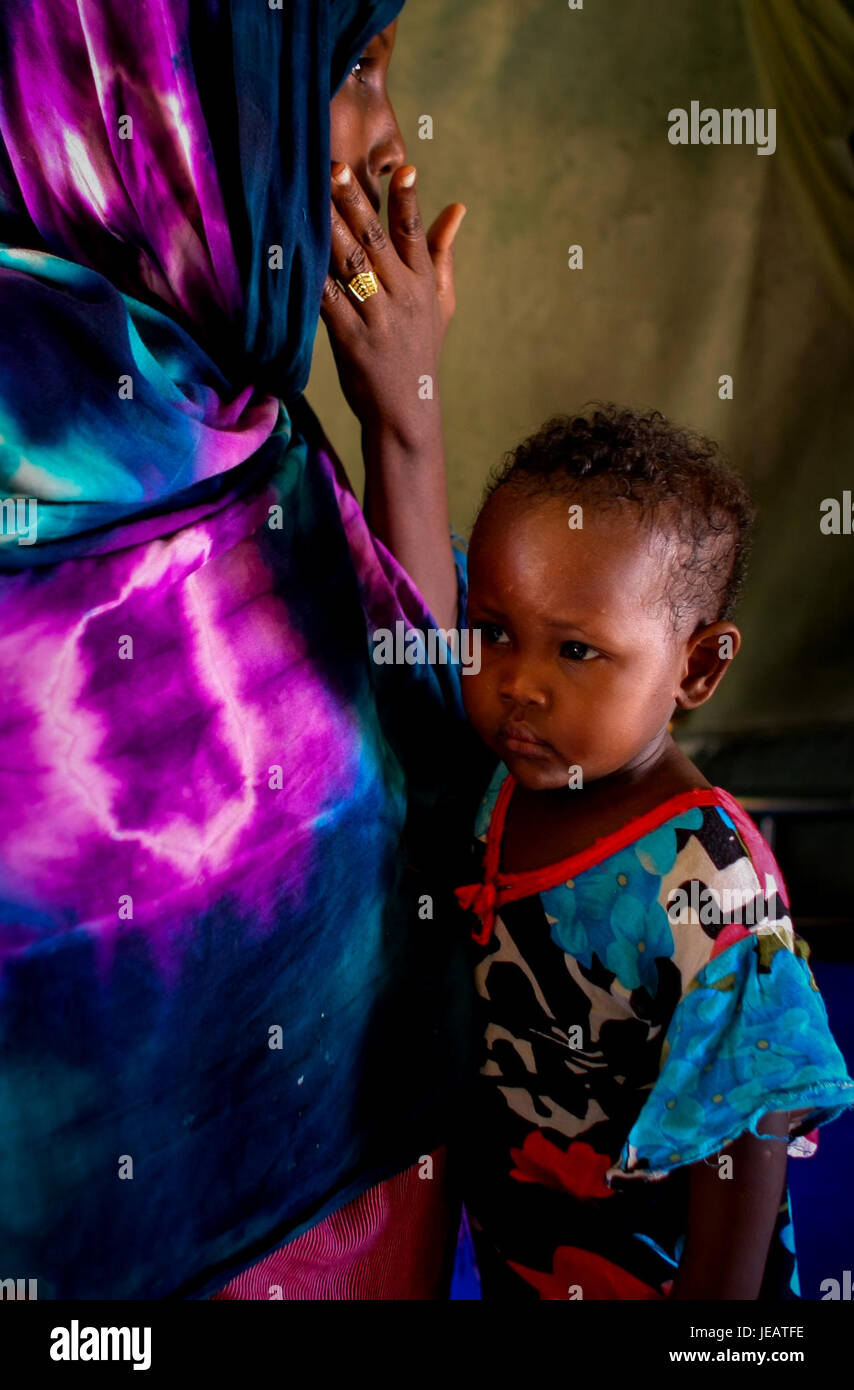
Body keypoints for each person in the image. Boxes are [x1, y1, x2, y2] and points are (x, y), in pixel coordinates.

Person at [0, 0, 484, 1299]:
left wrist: (406, 423)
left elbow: (434, 767)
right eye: (353, 72)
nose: (391, 143)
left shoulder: (238, 421)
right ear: (159, 108)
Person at [452, 405, 854, 1299]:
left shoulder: (713, 884)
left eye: (578, 650)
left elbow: (745, 1140)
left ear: (697, 670)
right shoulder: (504, 784)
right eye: (493, 631)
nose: (520, 682)